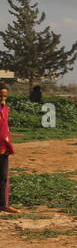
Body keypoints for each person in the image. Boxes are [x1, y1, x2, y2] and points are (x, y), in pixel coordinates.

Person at [0, 85, 18, 214]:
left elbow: (5, 129)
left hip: (3, 148)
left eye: (5, 96)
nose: (2, 98)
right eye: (0, 95)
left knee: (3, 177)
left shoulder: (6, 109)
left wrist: (8, 145)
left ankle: (3, 205)